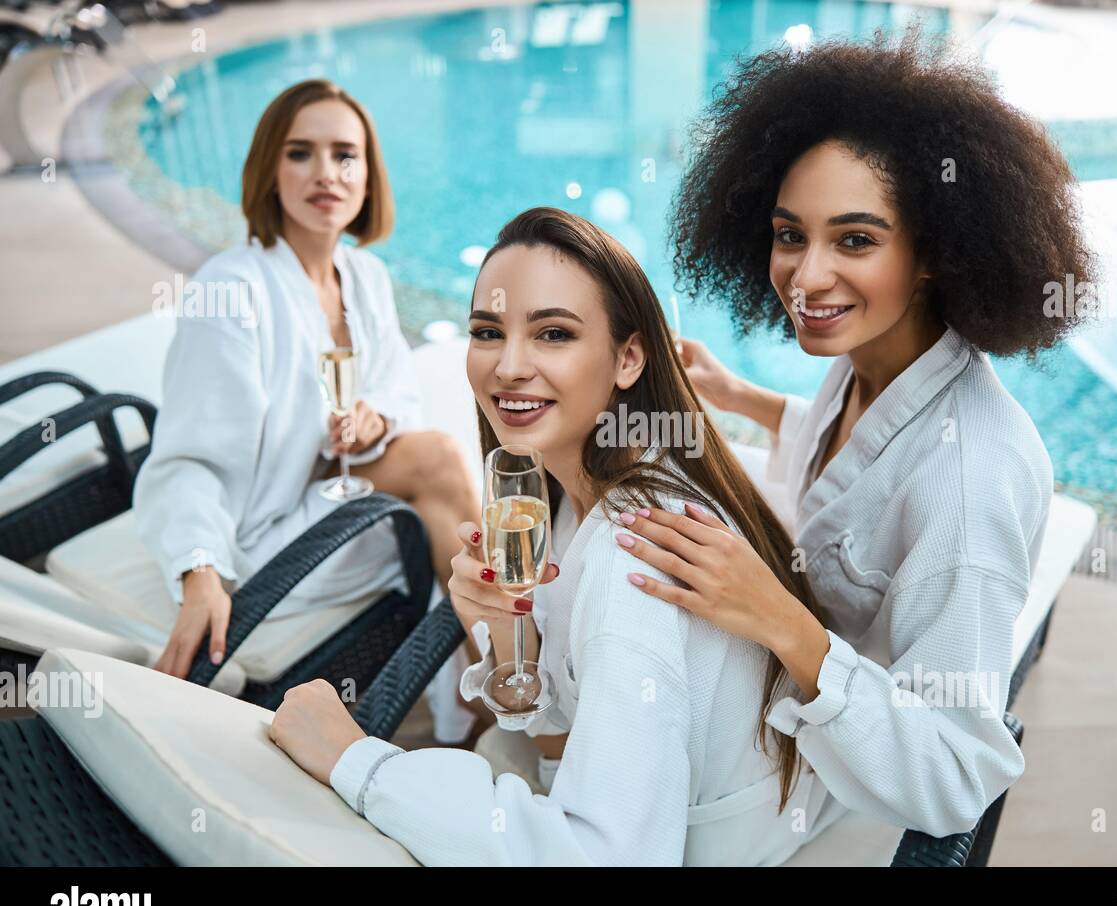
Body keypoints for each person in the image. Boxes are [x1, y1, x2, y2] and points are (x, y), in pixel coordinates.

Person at [269, 208, 846, 866]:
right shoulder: (573, 496)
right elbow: (565, 746)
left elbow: (607, 854)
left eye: (552, 334)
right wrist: (516, 644)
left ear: (629, 357)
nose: (509, 366)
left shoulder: (635, 557)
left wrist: (358, 764)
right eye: (488, 332)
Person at [624, 32, 1094, 837]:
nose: (805, 279)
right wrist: (743, 398)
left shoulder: (967, 487)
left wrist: (779, 618)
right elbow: (866, 463)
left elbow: (954, 779)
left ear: (934, 256)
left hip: (834, 783)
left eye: (855, 240)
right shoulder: (871, 359)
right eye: (788, 234)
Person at [134, 80, 479, 684]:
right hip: (262, 538)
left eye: (345, 155)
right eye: (300, 153)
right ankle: (508, 682)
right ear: (270, 169)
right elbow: (187, 460)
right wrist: (199, 569)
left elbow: (398, 393)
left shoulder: (364, 274)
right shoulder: (231, 290)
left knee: (443, 471)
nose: (326, 172)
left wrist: (376, 417)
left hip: (337, 497)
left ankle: (493, 677)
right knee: (445, 468)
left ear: (367, 175)